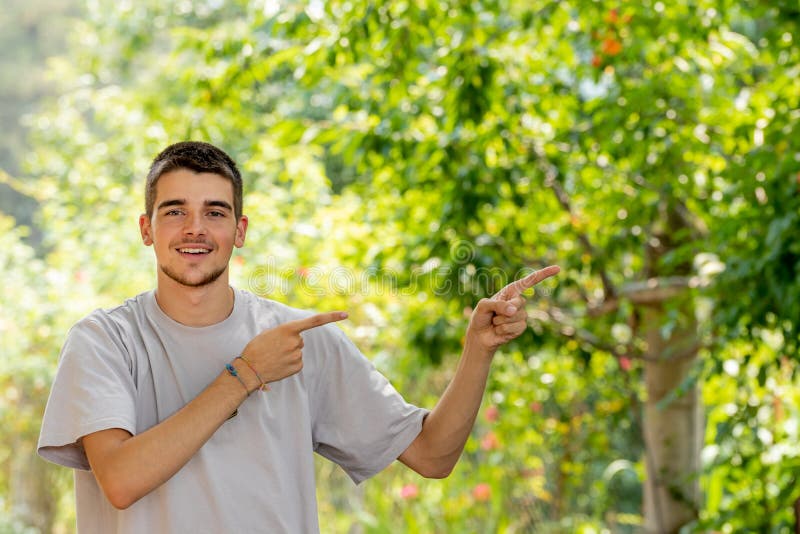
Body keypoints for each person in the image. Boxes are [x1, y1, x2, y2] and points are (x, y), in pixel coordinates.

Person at [38, 141, 560, 533]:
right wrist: (245, 374)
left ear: (239, 231)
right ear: (147, 228)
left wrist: (477, 351)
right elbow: (121, 481)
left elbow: (431, 455)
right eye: (175, 211)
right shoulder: (104, 341)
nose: (194, 229)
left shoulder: (299, 340)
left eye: (214, 213)